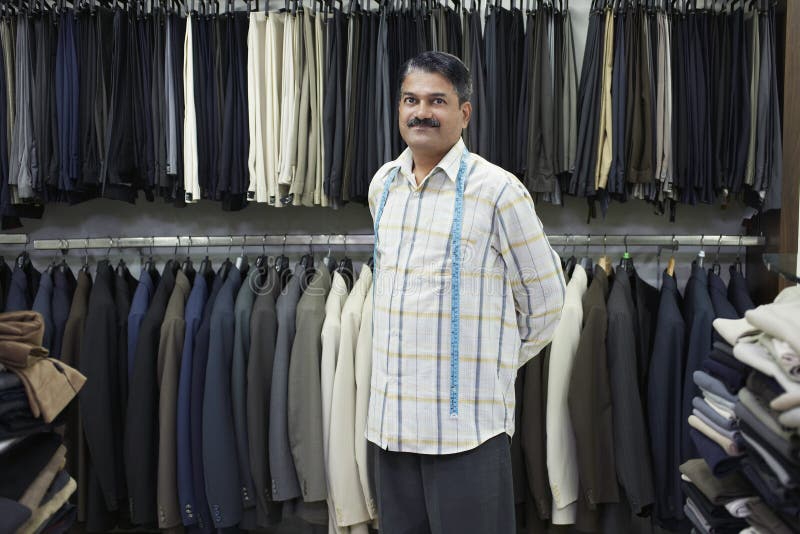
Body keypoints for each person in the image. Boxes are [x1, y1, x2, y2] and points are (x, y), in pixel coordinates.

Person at [367, 51, 567, 533]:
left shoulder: (499, 192)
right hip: (390, 432)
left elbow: (548, 304)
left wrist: (487, 365)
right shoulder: (383, 187)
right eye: (410, 99)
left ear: (464, 112)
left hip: (466, 436)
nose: (421, 112)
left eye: (437, 100)